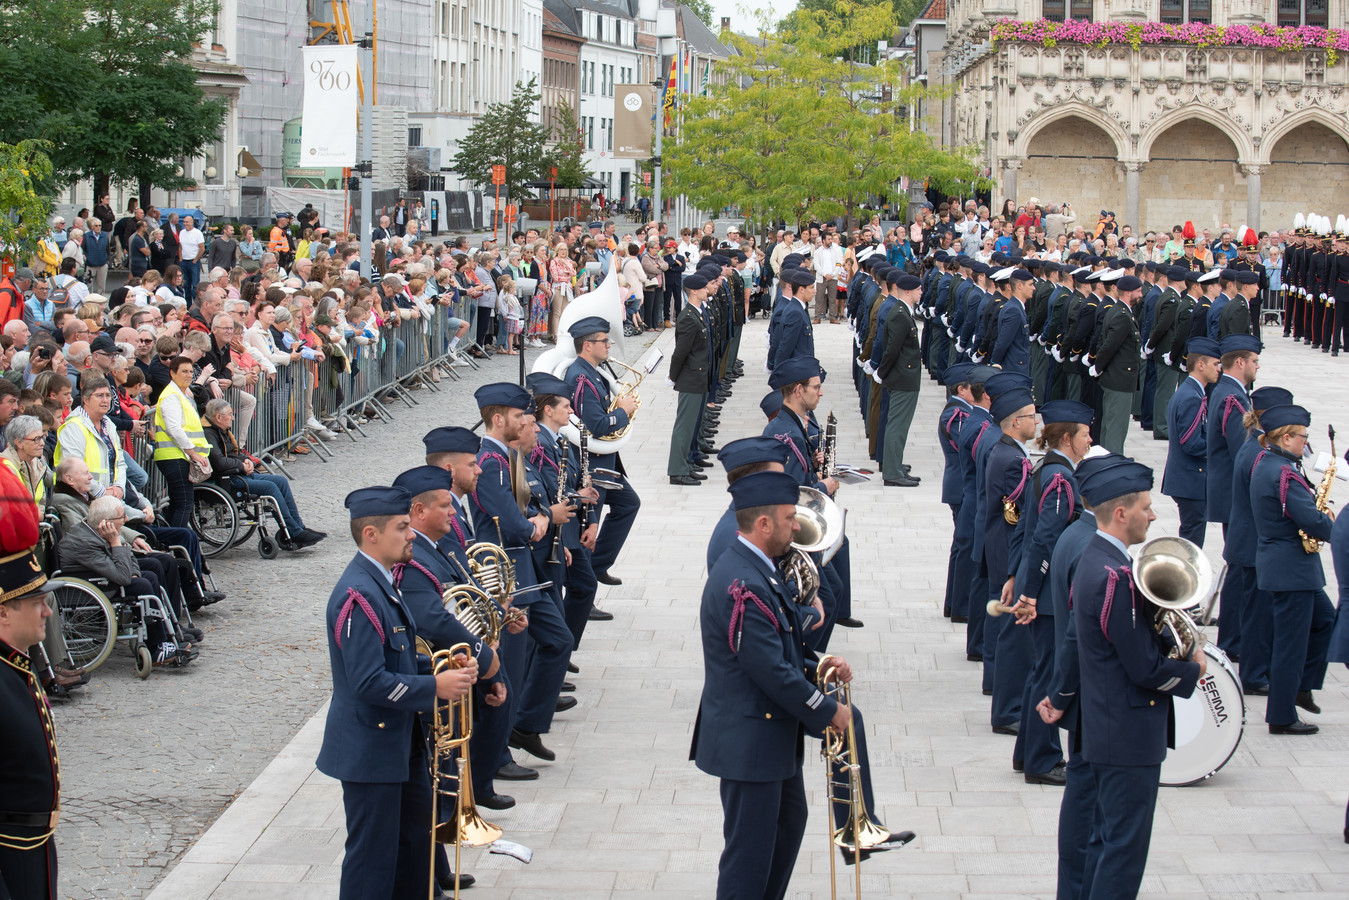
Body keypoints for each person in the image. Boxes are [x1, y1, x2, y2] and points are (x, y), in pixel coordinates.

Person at [691, 470, 852, 898]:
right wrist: (826, 709)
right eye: (788, 518)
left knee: (784, 830)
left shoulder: (760, 569)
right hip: (751, 742)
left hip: (769, 738)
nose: (796, 526)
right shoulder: (743, 582)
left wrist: (819, 665)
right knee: (750, 856)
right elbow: (769, 670)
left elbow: (780, 640)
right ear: (763, 525)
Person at [316, 486, 477, 900]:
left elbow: (399, 657)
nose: (411, 535)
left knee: (412, 850)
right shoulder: (359, 594)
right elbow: (368, 681)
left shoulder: (381, 581)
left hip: (397, 743)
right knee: (373, 861)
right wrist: (434, 686)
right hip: (371, 749)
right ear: (372, 534)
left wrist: (442, 669)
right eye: (403, 527)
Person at [1071, 455, 1203, 899]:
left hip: (1110, 728)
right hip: (1126, 734)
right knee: (1123, 852)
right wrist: (1192, 669)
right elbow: (1143, 667)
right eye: (1146, 507)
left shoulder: (1101, 561)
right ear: (1122, 513)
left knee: (1105, 843)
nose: (1153, 514)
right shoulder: (1115, 578)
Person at [1250, 404, 1336, 736]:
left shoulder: (1271, 463)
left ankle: (1301, 685)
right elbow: (1311, 520)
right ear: (1286, 438)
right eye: (1303, 437)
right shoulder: (1283, 472)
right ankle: (1282, 715)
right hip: (1291, 569)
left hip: (1291, 567)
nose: (1305, 443)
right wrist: (1331, 523)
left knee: (1325, 620)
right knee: (1291, 644)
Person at [0, 548, 66, 900]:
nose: (47, 610)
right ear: (3, 612)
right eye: (37, 602)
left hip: (34, 850)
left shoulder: (18, 666)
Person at [564, 316, 640, 586]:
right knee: (588, 527)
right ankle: (585, 589)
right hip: (594, 464)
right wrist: (623, 411)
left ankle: (598, 565)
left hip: (606, 461)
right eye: (604, 341)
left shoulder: (594, 372)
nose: (609, 345)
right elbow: (597, 425)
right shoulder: (581, 377)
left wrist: (618, 405)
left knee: (629, 504)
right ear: (587, 345)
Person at [201, 399, 324, 548]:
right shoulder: (209, 433)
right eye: (229, 414)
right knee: (270, 487)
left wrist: (248, 461)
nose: (233, 417)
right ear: (218, 417)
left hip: (237, 472)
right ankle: (294, 531)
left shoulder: (221, 429)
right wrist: (242, 465)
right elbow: (219, 462)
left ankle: (297, 527)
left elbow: (236, 453)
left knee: (280, 481)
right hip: (227, 478)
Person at [1160, 336, 1220, 546]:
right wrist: (1218, 446)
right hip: (1191, 481)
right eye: (1215, 364)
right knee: (1192, 543)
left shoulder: (1191, 391)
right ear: (1200, 365)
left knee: (1190, 535)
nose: (1218, 369)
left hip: (1188, 480)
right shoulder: (1191, 397)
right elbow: (1191, 443)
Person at [152, 355, 211, 529]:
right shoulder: (171, 396)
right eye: (184, 371)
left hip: (179, 455)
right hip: (174, 456)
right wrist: (192, 452)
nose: (189, 375)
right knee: (184, 503)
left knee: (178, 503)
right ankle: (178, 546)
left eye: (191, 371)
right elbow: (174, 428)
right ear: (172, 373)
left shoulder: (181, 394)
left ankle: (169, 541)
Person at [877, 272, 923, 486]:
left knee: (900, 426)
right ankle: (892, 472)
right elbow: (892, 350)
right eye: (918, 289)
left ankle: (895, 464)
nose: (921, 292)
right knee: (896, 426)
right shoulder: (899, 314)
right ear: (907, 291)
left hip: (905, 377)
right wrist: (882, 373)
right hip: (902, 378)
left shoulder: (904, 311)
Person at [1089, 274, 1144, 455]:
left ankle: (1106, 460)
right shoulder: (1121, 315)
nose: (1141, 295)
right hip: (1119, 379)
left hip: (1118, 378)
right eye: (1138, 291)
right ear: (1127, 293)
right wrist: (1097, 367)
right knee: (1116, 427)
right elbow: (1109, 346)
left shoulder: (1121, 311)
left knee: (1111, 425)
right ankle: (1112, 462)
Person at [668, 272, 711, 485]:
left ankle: (685, 464)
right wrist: (672, 376)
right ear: (694, 291)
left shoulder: (696, 313)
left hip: (697, 376)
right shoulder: (687, 317)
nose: (707, 290)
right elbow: (680, 352)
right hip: (690, 378)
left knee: (691, 424)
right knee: (684, 427)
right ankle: (677, 470)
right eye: (704, 287)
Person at [768, 266, 816, 373]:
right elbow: (785, 345)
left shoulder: (798, 308)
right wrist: (777, 371)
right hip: (797, 369)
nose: (814, 291)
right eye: (811, 288)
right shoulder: (795, 312)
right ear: (801, 290)